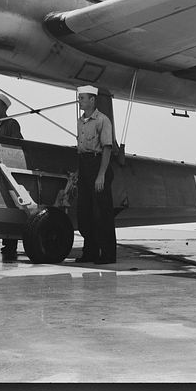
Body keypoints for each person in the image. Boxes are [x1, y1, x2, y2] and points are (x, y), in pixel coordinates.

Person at [74, 85, 117, 264]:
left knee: (102, 213)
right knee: (85, 212)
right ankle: (90, 251)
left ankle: (107, 254)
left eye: (83, 98)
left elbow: (107, 148)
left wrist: (101, 175)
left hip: (98, 164)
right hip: (84, 165)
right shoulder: (80, 121)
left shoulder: (102, 120)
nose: (80, 101)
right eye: (79, 98)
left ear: (92, 100)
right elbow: (81, 149)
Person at [0, 94, 24, 256]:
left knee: (12, 203)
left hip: (9, 169)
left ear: (4, 108)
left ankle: (11, 244)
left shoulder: (12, 124)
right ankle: (6, 242)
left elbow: (16, 144)